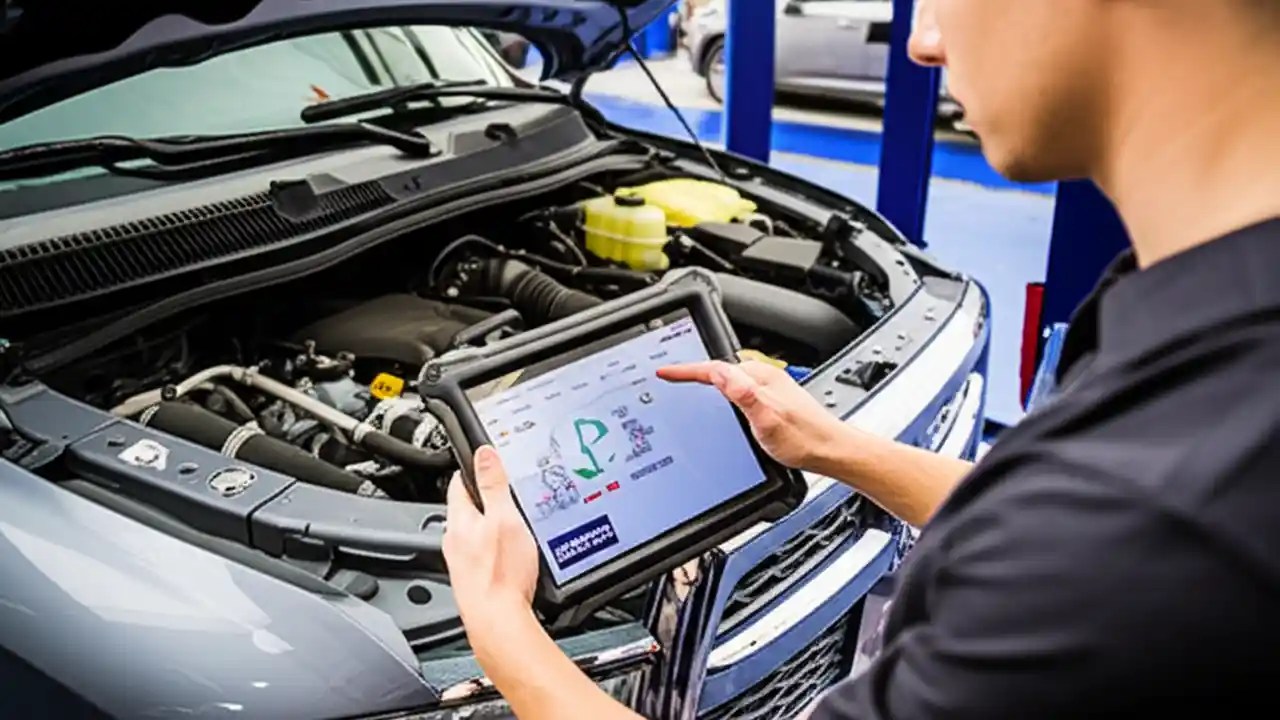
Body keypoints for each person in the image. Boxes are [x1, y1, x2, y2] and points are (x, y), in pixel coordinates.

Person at [442, 0, 1280, 716]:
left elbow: (1092, 549)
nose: (924, 41)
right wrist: (839, 449)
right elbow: (1087, 553)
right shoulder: (1213, 350)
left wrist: (502, 625)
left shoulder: (1145, 513)